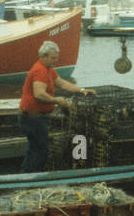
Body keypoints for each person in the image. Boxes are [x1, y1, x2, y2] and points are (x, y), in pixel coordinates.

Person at [20, 40, 94, 172]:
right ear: (43, 56)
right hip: (33, 118)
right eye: (53, 58)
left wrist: (81, 90)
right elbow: (39, 94)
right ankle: (32, 180)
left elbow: (63, 84)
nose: (56, 60)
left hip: (33, 117)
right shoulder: (40, 70)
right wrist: (57, 101)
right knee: (41, 150)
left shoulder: (48, 69)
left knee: (34, 149)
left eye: (56, 57)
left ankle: (25, 177)